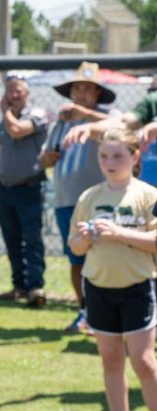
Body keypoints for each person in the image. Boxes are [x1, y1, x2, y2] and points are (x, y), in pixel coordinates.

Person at [68, 127, 157, 411]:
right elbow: (75, 246)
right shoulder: (90, 197)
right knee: (111, 360)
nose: (110, 162)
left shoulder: (147, 195)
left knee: (145, 362)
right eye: (104, 156)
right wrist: (86, 236)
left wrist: (118, 232)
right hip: (99, 287)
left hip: (137, 287)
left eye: (118, 155)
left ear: (135, 157)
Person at [40, 62, 116, 333]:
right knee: (76, 259)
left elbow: (121, 127)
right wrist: (46, 158)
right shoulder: (61, 123)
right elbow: (45, 157)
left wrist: (84, 115)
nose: (82, 94)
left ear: (97, 94)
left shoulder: (108, 118)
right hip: (66, 201)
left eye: (88, 89)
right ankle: (84, 312)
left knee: (104, 257)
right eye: (77, 88)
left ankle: (106, 315)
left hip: (102, 202)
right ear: (70, 92)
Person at [0, 75, 49, 308]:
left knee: (32, 240)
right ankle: (18, 286)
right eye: (9, 91)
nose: (14, 95)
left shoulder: (36, 115)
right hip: (5, 189)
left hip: (29, 188)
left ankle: (35, 288)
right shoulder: (4, 122)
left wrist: (4, 111)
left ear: (28, 94)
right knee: (12, 240)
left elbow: (18, 130)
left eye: (18, 91)